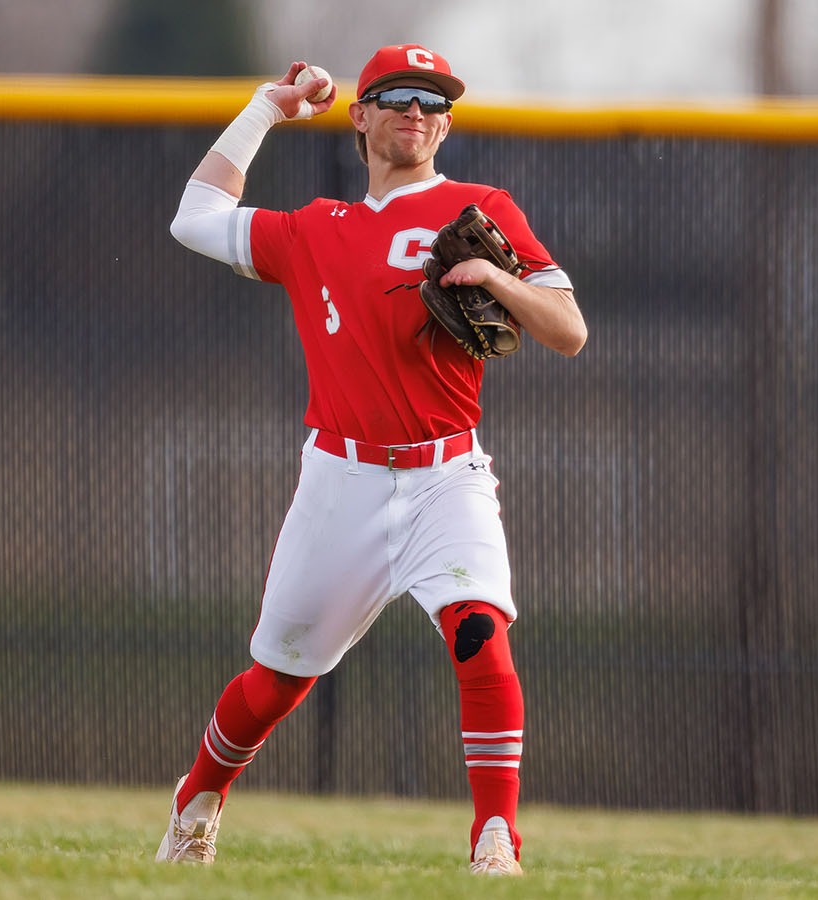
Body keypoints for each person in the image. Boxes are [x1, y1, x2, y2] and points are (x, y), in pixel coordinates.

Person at [158, 42, 585, 876]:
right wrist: (266, 110)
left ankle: (494, 838)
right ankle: (197, 799)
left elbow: (567, 331)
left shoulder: (482, 206)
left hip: (446, 473)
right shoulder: (317, 228)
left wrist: (496, 281)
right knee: (277, 681)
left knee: (480, 635)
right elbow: (193, 217)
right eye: (396, 96)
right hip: (339, 478)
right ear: (360, 116)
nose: (415, 113)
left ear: (447, 124)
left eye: (432, 102)